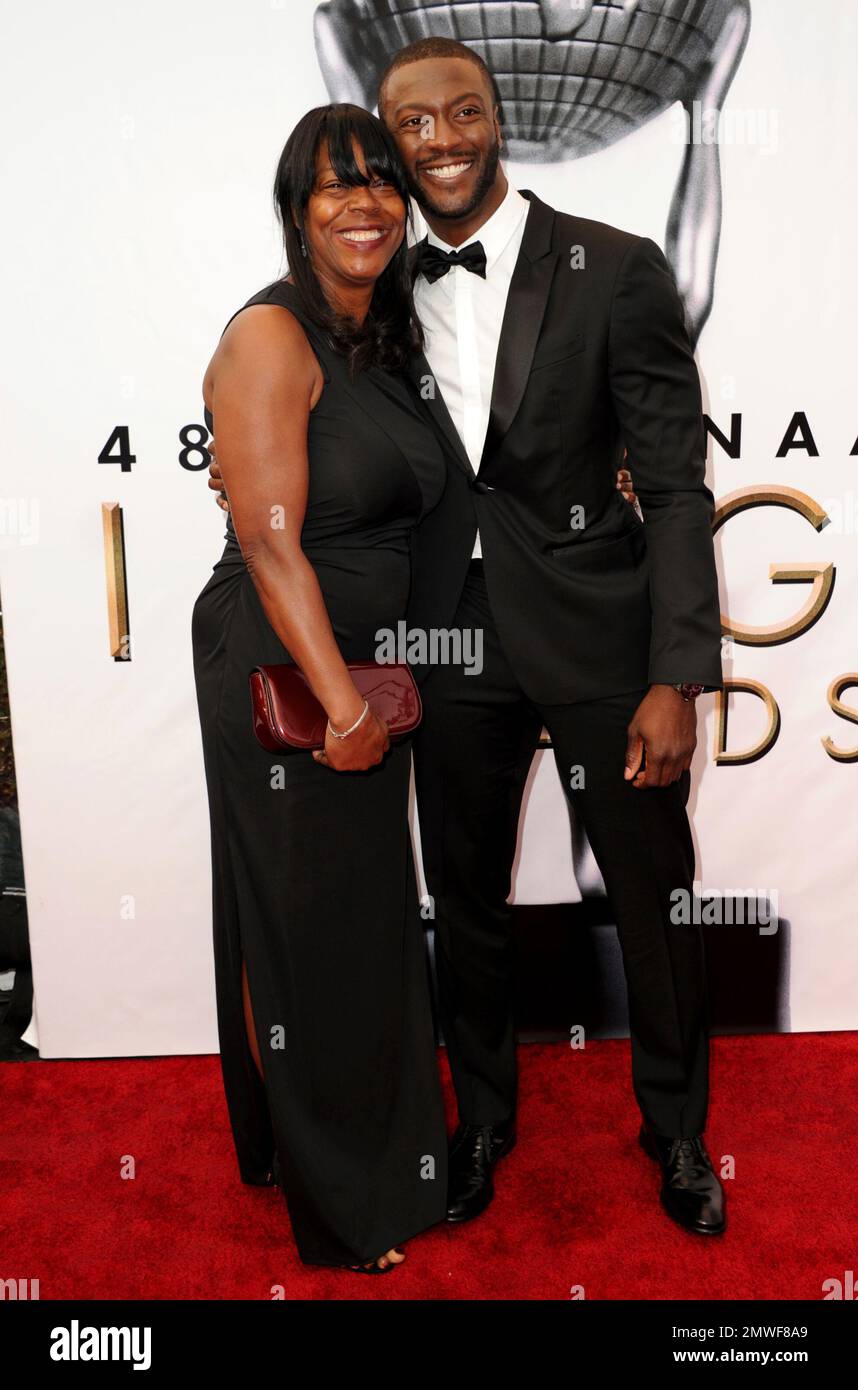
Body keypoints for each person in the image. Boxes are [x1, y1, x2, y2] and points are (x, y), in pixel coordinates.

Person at [210, 36, 723, 1241]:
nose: (439, 137)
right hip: (440, 643)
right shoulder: (365, 288)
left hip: (601, 633)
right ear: (389, 144)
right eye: (414, 123)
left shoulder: (617, 267)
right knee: (467, 901)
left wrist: (676, 672)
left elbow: (680, 489)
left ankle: (678, 1127)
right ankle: (483, 1117)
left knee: (652, 896)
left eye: (463, 112)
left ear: (501, 121)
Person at [191, 103, 450, 1273]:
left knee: (336, 920)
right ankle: (340, 1201)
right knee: (310, 930)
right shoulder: (271, 336)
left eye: (382, 184)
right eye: (336, 186)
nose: (365, 205)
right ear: (299, 208)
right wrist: (339, 706)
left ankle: (305, 1143)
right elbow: (271, 541)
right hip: (286, 664)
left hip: (362, 667)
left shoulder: (379, 339)